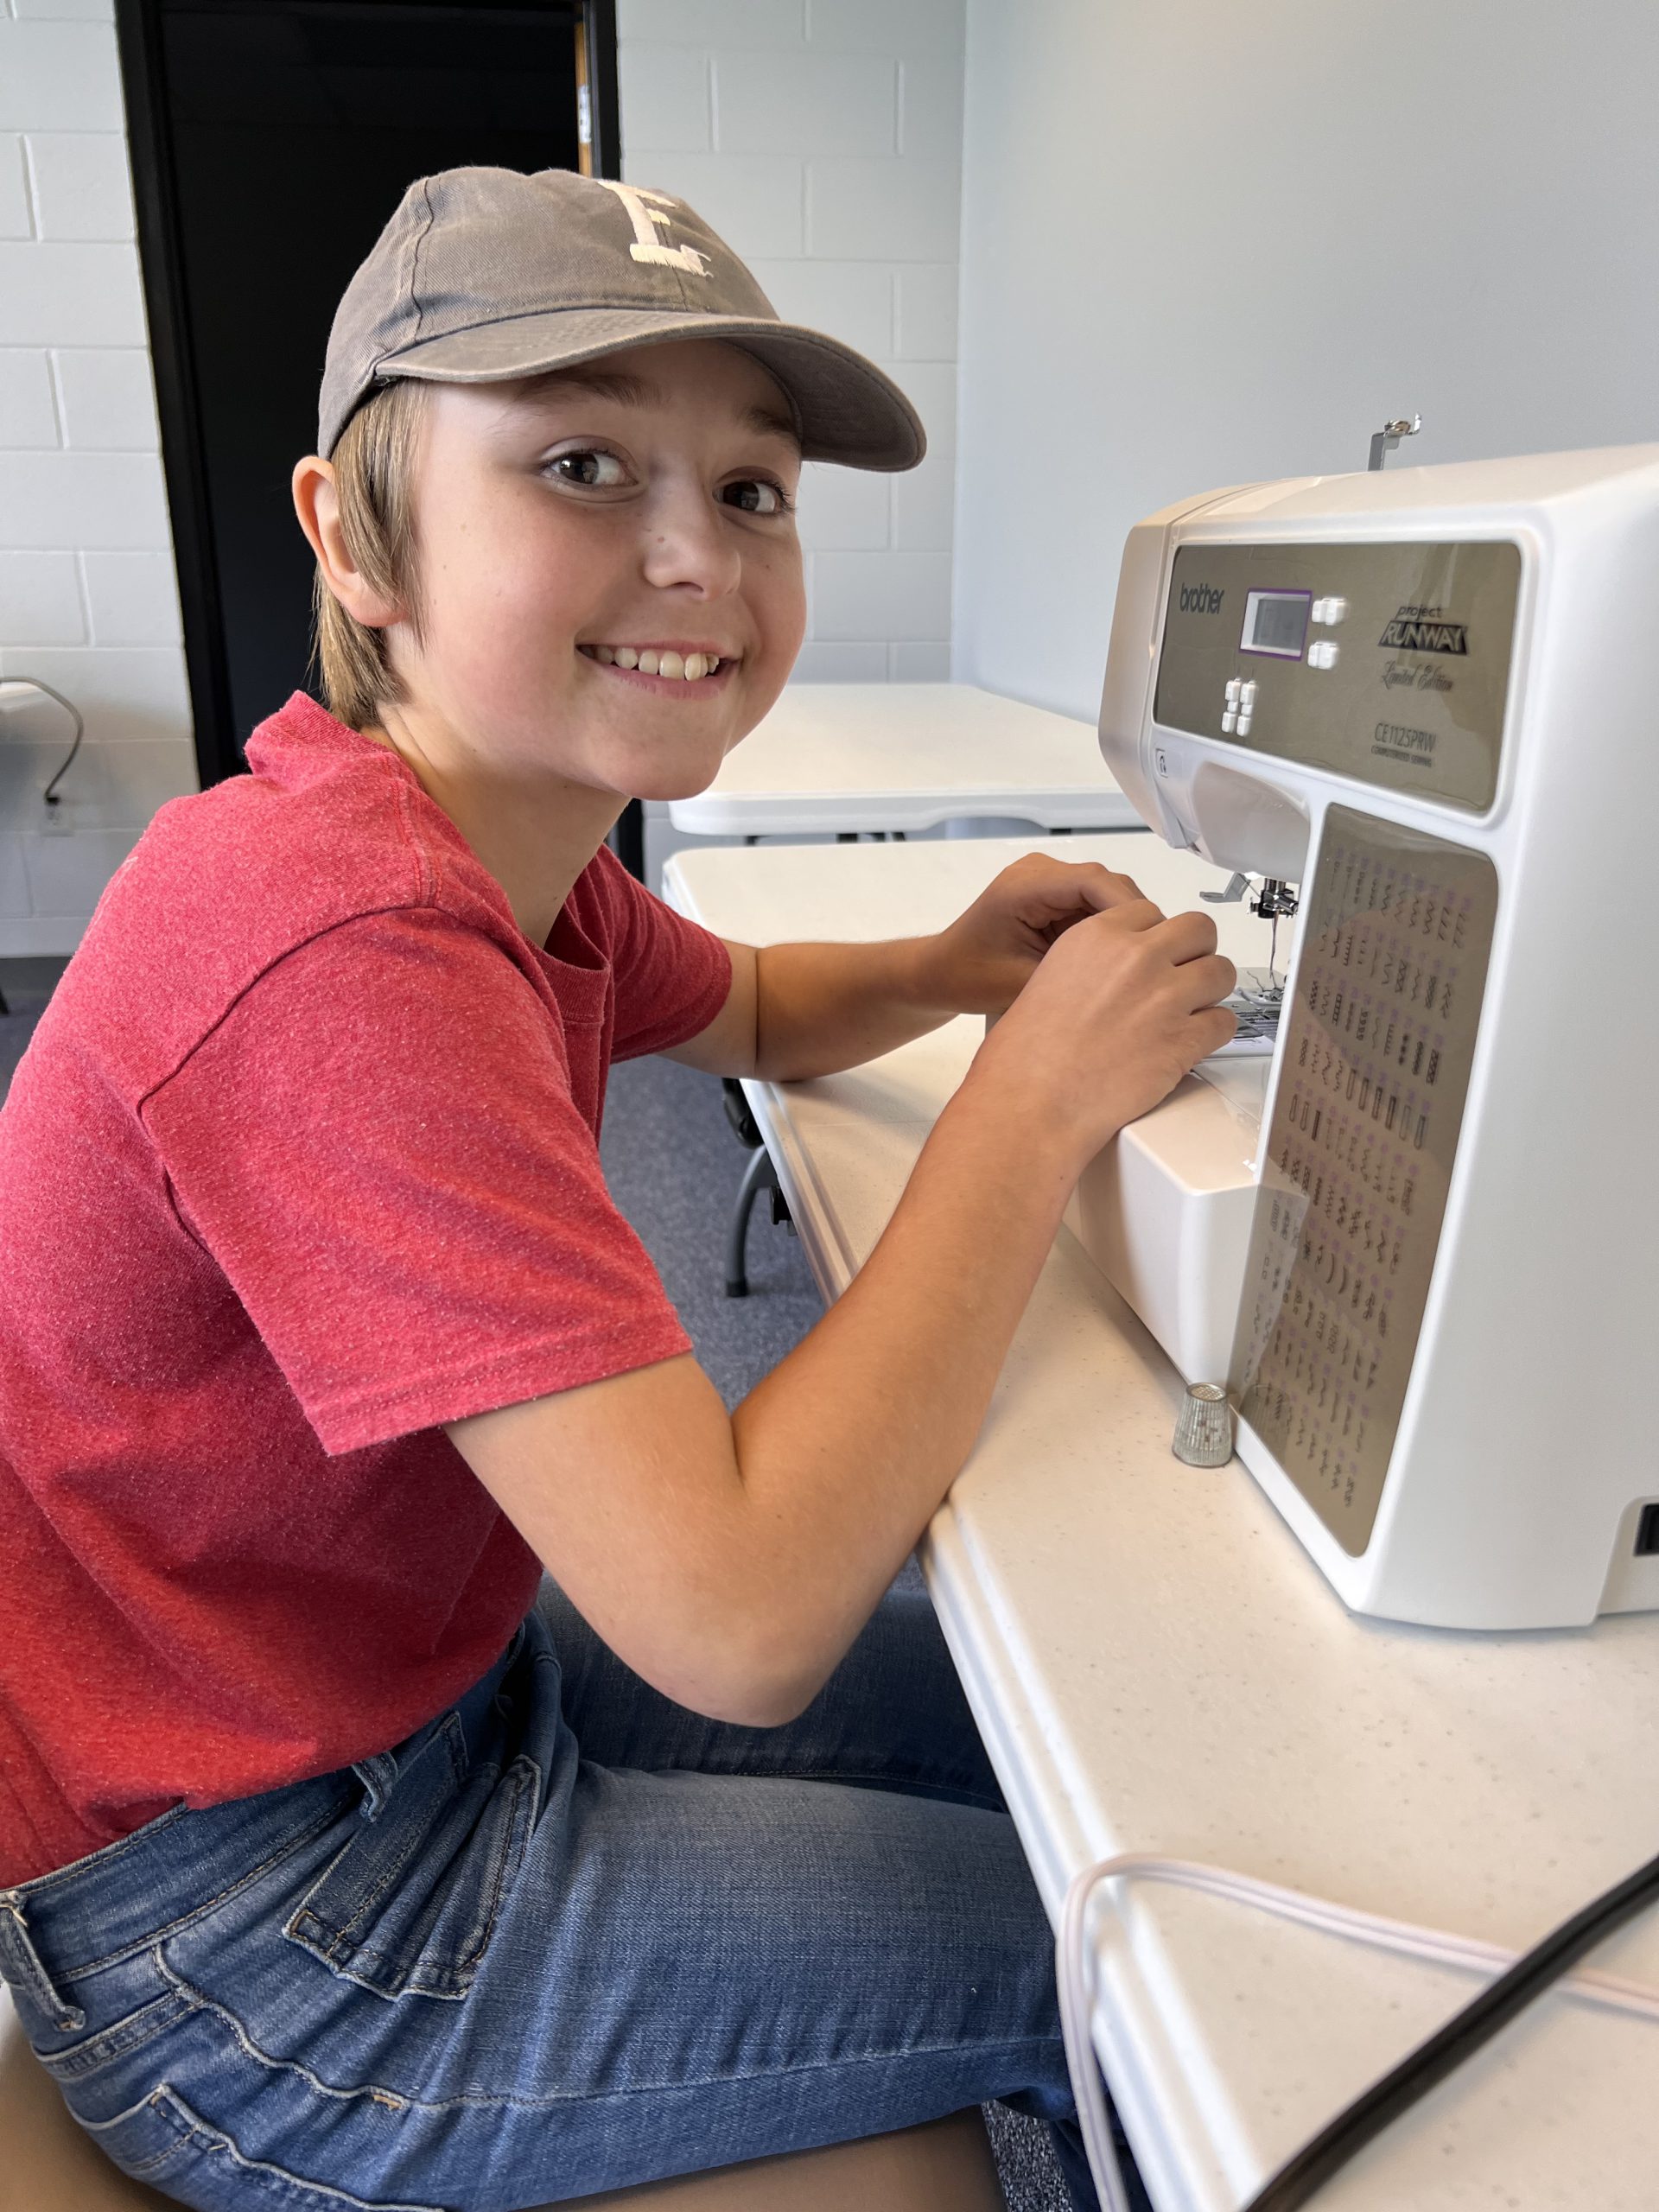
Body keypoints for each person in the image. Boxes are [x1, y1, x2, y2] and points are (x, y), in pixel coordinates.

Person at [0, 169, 1234, 2211]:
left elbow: (742, 997)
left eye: (752, 490)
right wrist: (1032, 1107)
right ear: (354, 536)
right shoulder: (342, 951)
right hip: (262, 1946)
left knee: (1083, 1755)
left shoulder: (489, 853)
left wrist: (947, 964)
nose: (698, 555)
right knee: (1145, 1957)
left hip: (426, 1714)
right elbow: (736, 1612)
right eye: (582, 463)